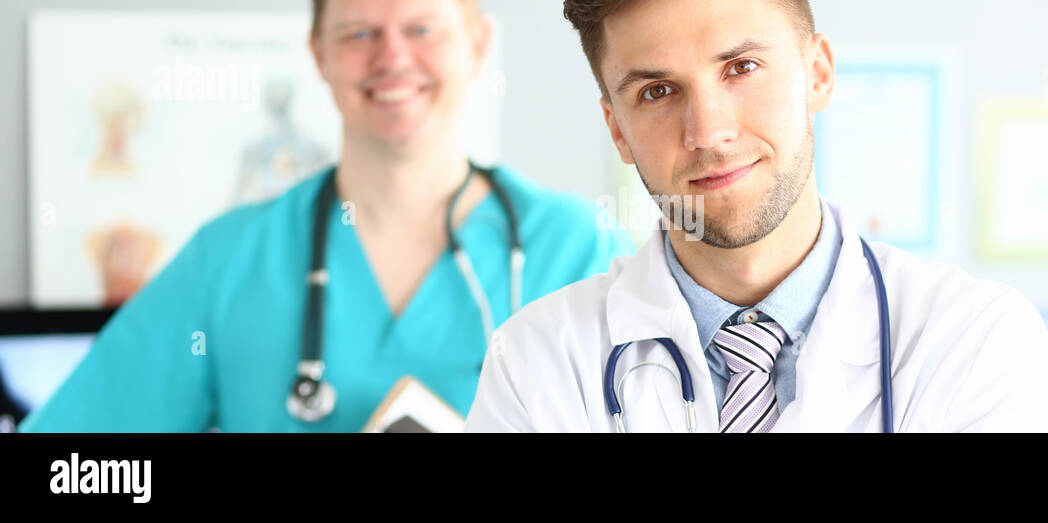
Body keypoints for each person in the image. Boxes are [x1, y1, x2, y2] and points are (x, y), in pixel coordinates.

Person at [21, 0, 634, 432]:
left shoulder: (581, 248)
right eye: (358, 33)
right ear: (318, 54)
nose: (392, 58)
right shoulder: (231, 260)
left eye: (422, 27)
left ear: (476, 44)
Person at [465, 0, 1048, 432]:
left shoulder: (971, 341)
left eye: (741, 68)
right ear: (617, 129)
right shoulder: (536, 363)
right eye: (657, 92)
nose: (708, 131)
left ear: (818, 74)